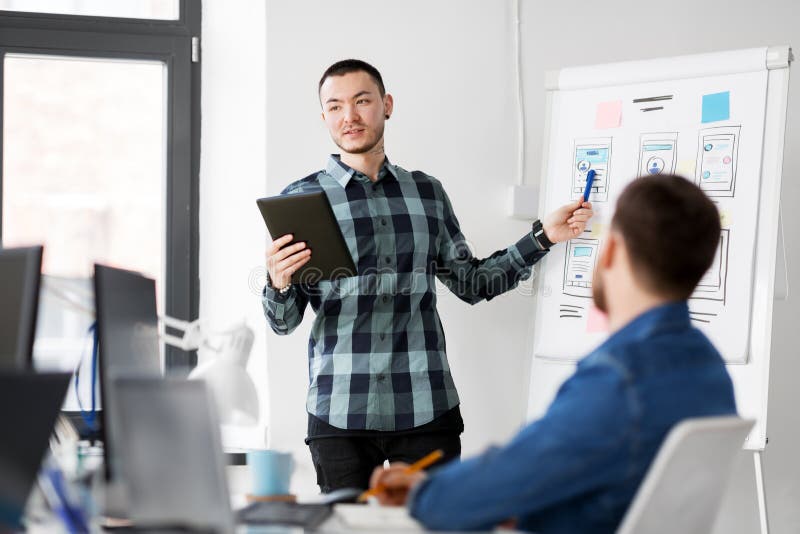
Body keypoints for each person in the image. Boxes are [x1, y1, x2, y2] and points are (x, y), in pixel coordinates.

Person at [262, 59, 593, 493]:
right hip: (338, 411)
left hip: (425, 408)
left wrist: (543, 236)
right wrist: (278, 282)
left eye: (362, 101)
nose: (350, 116)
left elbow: (474, 283)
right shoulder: (301, 200)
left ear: (387, 105)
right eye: (336, 106)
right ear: (323, 115)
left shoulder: (427, 193)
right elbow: (283, 323)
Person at [368, 174, 738, 533]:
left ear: (610, 250)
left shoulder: (618, 378)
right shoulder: (709, 369)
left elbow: (512, 474)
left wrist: (426, 491)